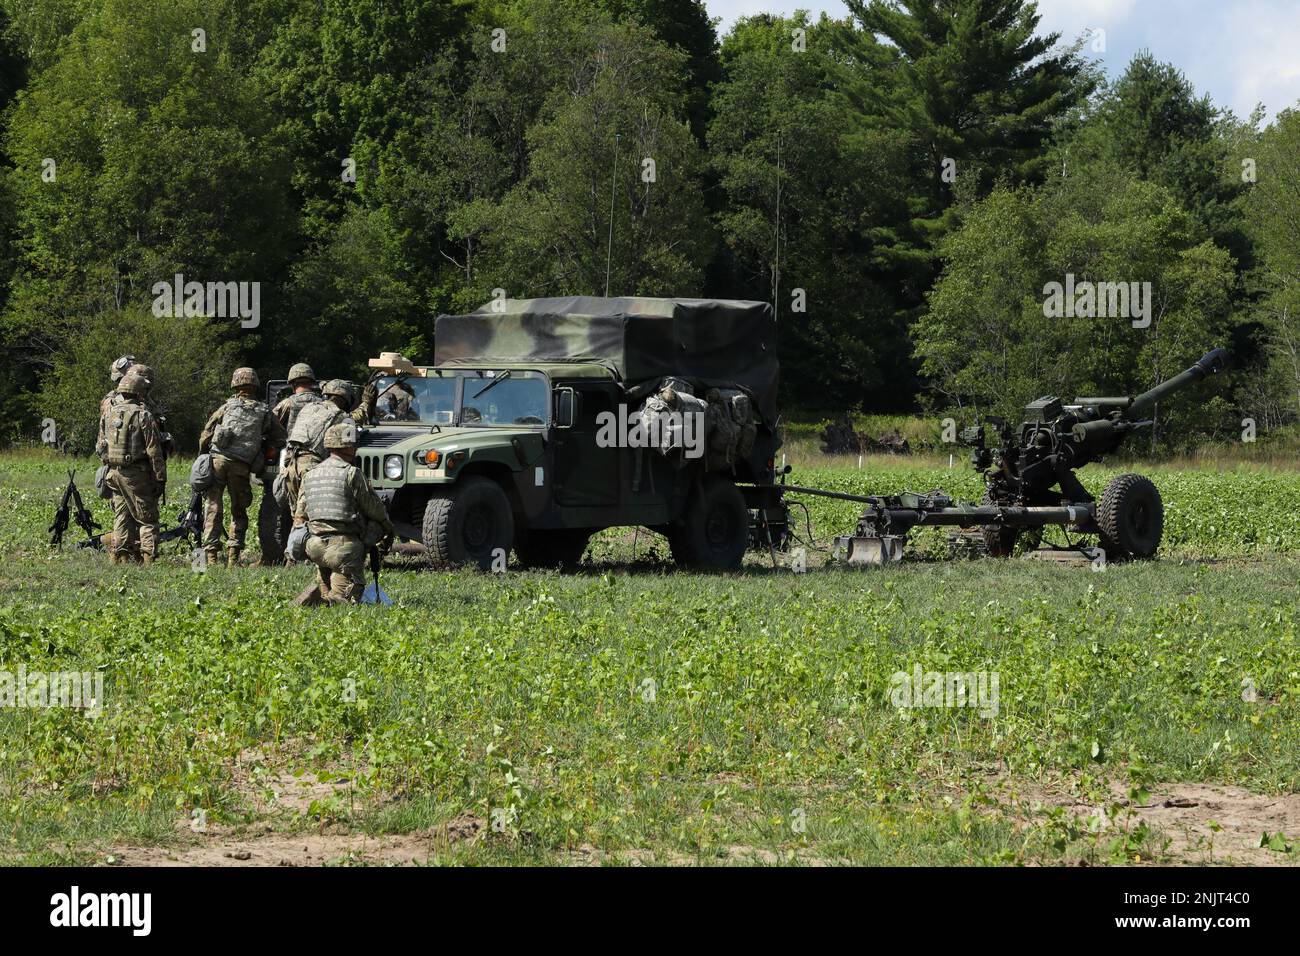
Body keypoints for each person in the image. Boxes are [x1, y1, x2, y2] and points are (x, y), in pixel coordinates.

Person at [294, 421, 394, 604]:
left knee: (327, 578)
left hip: (314, 546)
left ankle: (320, 594)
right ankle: (322, 601)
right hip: (344, 550)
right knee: (344, 600)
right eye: (354, 444)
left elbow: (300, 514)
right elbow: (374, 508)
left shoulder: (310, 474)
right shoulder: (351, 473)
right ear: (348, 447)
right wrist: (387, 527)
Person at [198, 367, 286, 567]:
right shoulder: (264, 411)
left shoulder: (226, 407)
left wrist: (202, 456)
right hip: (241, 467)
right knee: (238, 510)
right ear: (255, 385)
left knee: (213, 507)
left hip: (218, 462)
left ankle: (211, 557)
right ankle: (233, 557)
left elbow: (206, 433)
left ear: (235, 384)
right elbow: (280, 437)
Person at [100, 370, 166, 564]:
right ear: (139, 392)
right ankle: (148, 560)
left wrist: (111, 463)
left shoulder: (109, 413)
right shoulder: (143, 415)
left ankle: (119, 558)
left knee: (122, 516)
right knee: (147, 518)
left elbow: (101, 446)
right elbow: (154, 450)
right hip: (136, 474)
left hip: (114, 473)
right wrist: (160, 477)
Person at [284, 379, 371, 518]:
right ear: (345, 399)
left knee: (297, 518)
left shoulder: (309, 407)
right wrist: (366, 403)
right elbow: (353, 420)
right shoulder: (339, 415)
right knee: (313, 516)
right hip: (311, 468)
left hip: (291, 467)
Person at [272, 362, 323, 435]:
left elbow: (271, 424)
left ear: (292, 384)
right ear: (312, 383)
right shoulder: (323, 403)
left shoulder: (287, 403)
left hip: (293, 445)